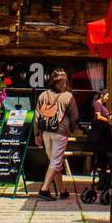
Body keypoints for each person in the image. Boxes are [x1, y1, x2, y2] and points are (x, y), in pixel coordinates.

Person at [35, 68, 79, 201]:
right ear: (65, 81)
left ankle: (62, 190)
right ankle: (44, 189)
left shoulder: (43, 95)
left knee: (54, 162)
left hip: (45, 132)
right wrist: (73, 130)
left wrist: (37, 134)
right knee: (55, 162)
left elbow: (36, 116)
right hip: (60, 132)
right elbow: (74, 117)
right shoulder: (68, 96)